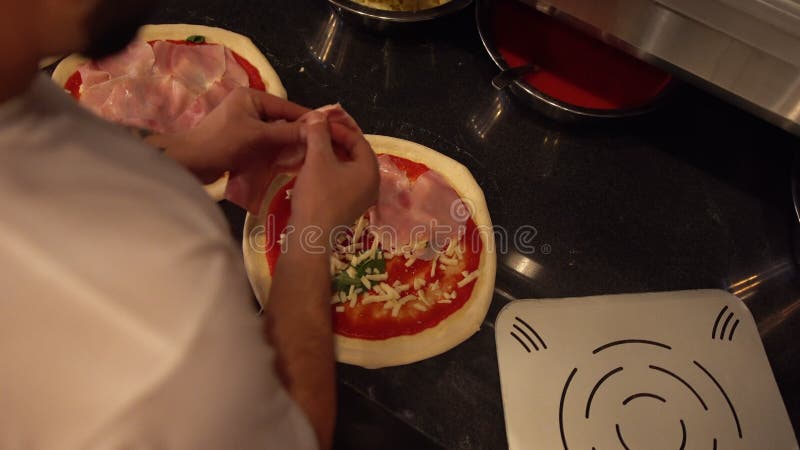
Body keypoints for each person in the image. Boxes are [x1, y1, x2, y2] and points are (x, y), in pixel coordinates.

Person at [0, 1, 379, 449]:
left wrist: (185, 152)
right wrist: (311, 228)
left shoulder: (14, 77)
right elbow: (295, 433)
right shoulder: (164, 317)